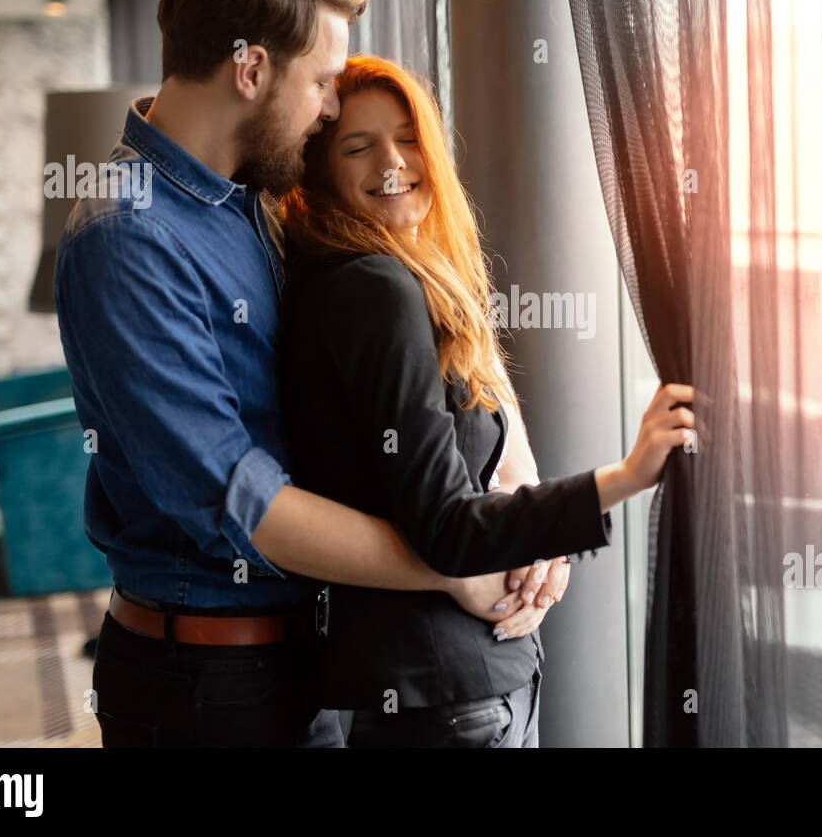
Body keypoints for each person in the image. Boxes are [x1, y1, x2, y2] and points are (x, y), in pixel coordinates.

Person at [53, 0, 625, 748]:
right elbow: (240, 503)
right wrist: (456, 562)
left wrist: (516, 497)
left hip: (321, 659)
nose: (329, 106)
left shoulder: (265, 195)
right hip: (205, 688)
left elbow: (439, 321)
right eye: (321, 81)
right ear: (250, 70)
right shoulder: (127, 239)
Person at [277, 55, 696, 747]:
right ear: (320, 171)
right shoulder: (375, 289)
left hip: (448, 687)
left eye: (407, 137)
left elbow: (462, 488)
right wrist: (622, 479)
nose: (391, 160)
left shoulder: (390, 279)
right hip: (446, 693)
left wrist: (540, 544)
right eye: (358, 145)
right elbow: (444, 526)